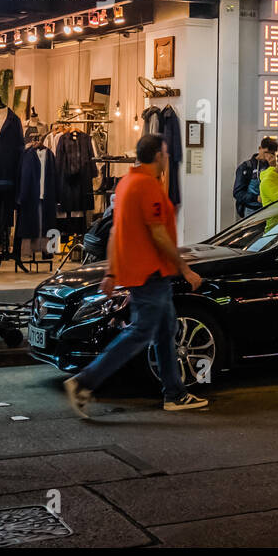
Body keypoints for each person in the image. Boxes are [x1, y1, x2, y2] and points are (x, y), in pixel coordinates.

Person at [64, 134, 207, 416]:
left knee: (166, 332)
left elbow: (116, 232)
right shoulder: (147, 187)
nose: (167, 159)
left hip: (145, 275)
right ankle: (84, 382)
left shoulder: (126, 183)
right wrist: (185, 268)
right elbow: (158, 235)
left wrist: (111, 272)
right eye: (165, 154)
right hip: (150, 274)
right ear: (157, 156)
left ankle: (174, 393)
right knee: (141, 332)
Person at [233, 137, 277, 218]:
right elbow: (237, 193)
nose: (268, 157)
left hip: (269, 209)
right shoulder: (246, 167)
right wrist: (256, 198)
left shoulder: (273, 167)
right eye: (266, 152)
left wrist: (274, 167)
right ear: (260, 149)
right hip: (251, 210)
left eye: (271, 154)